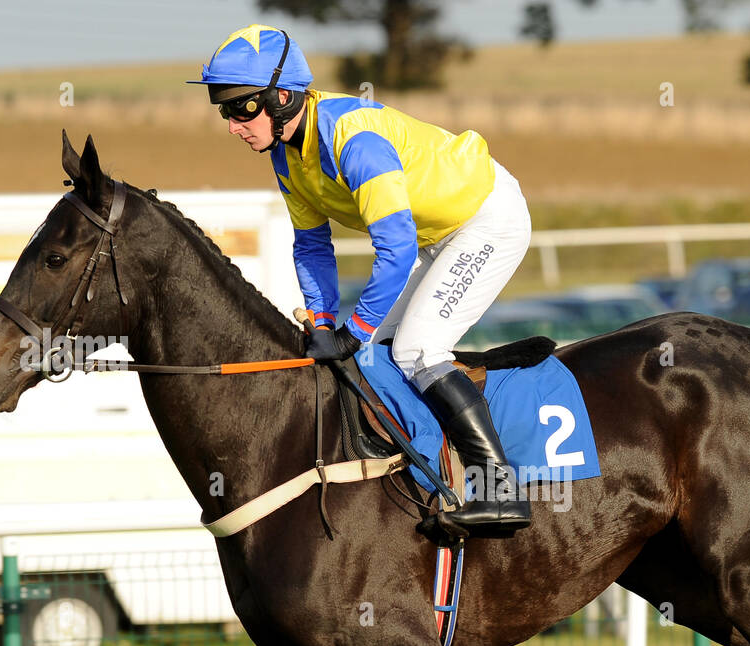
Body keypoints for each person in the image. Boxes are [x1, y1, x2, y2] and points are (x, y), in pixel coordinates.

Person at [189, 24, 532, 536]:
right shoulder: (286, 155)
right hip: (438, 233)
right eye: (225, 111)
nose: (234, 125)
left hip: (486, 219)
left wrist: (354, 329)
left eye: (242, 108)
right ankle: (420, 472)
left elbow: (394, 252)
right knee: (377, 354)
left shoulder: (355, 142)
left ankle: (501, 491)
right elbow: (311, 245)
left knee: (417, 349)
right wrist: (325, 323)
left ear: (282, 97)